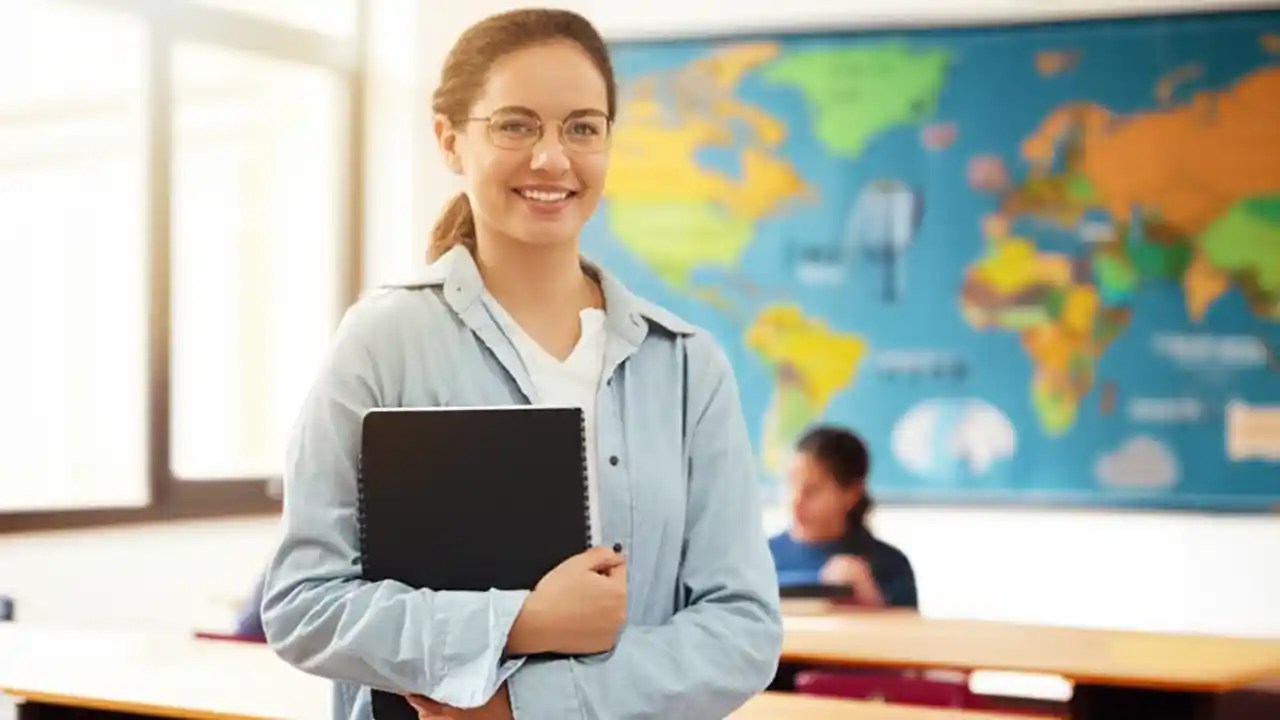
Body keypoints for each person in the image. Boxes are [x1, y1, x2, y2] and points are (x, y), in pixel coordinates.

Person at [259, 8, 782, 720]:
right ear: (449, 140)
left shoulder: (686, 364)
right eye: (515, 124)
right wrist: (521, 622)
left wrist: (520, 703)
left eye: (582, 127)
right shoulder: (383, 340)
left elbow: (744, 629)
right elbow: (301, 604)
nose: (552, 158)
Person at [769, 425, 918, 609]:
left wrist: (869, 598)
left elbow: (910, 635)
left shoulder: (889, 565)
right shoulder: (756, 559)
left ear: (851, 495)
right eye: (791, 484)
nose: (796, 501)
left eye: (813, 490)